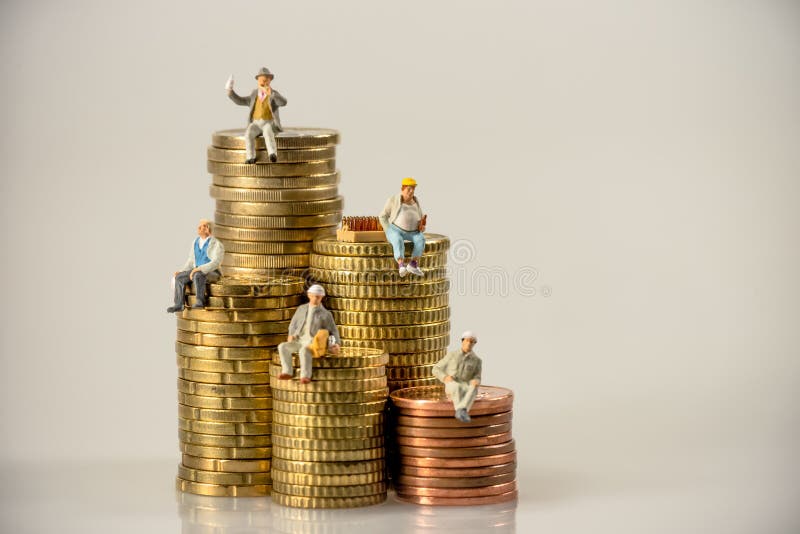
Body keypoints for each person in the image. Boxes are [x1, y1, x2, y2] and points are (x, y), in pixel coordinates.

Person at [277, 284, 341, 384]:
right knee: (282, 347)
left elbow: (333, 331)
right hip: (299, 340)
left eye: (318, 297)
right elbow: (293, 324)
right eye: (314, 296)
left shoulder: (326, 314)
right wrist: (291, 334)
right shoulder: (301, 309)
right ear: (309, 295)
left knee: (304, 350)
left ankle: (305, 376)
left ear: (322, 297)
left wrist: (335, 343)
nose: (316, 298)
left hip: (313, 343)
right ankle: (287, 371)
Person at [226, 67, 287, 164]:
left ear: (270, 80)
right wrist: (230, 92)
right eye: (261, 78)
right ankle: (250, 157)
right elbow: (240, 100)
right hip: (256, 123)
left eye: (266, 78)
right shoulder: (254, 94)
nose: (264, 80)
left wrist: (272, 94)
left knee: (268, 132)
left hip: (268, 122)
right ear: (258, 80)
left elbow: (283, 102)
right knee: (248, 133)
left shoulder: (274, 93)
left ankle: (272, 154)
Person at [167, 219, 224, 313]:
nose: (199, 228)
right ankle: (178, 304)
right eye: (199, 226)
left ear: (208, 229)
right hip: (196, 270)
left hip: (212, 272)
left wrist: (199, 269)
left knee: (198, 275)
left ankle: (200, 301)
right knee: (179, 277)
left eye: (203, 226)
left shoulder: (217, 244)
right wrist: (182, 270)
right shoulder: (195, 242)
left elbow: (216, 263)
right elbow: (191, 261)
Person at [378, 177, 427, 277]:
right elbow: (382, 216)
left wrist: (421, 226)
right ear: (402, 189)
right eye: (409, 189)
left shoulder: (416, 201)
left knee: (421, 239)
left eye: (413, 188)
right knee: (397, 240)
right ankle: (401, 265)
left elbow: (420, 217)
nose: (411, 191)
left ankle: (413, 264)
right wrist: (388, 230)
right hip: (396, 229)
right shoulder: (393, 200)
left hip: (413, 231)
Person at [432, 331, 482, 422]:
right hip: (452, 383)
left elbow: (477, 376)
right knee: (456, 386)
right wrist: (444, 377)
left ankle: (461, 410)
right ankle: (462, 410)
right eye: (467, 341)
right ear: (462, 341)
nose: (469, 343)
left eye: (472, 342)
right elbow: (436, 369)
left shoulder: (477, 360)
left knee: (473, 388)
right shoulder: (452, 355)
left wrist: (476, 381)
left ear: (474, 343)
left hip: (465, 386)